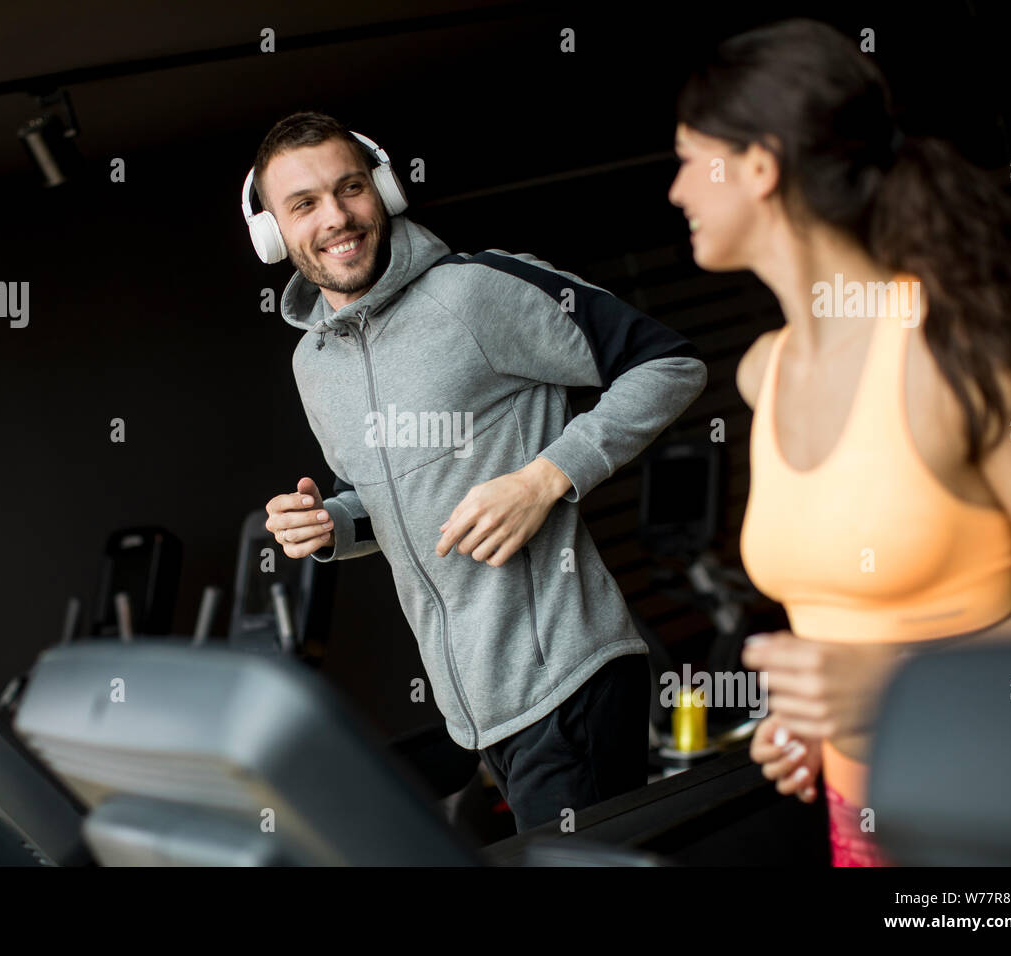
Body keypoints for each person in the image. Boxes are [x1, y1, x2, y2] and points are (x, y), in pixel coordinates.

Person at [667, 19, 1011, 865]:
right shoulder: (760, 374)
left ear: (759, 167)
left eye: (687, 160)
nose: (676, 192)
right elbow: (842, 632)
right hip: (861, 822)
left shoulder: (946, 349)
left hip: (999, 814)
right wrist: (809, 716)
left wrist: (899, 684)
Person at [250, 111, 707, 832]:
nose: (337, 217)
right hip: (478, 713)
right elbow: (391, 501)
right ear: (273, 234)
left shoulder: (473, 292)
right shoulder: (313, 366)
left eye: (351, 188)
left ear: (385, 192)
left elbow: (669, 363)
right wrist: (330, 524)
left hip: (568, 676)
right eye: (304, 204)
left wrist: (544, 477)